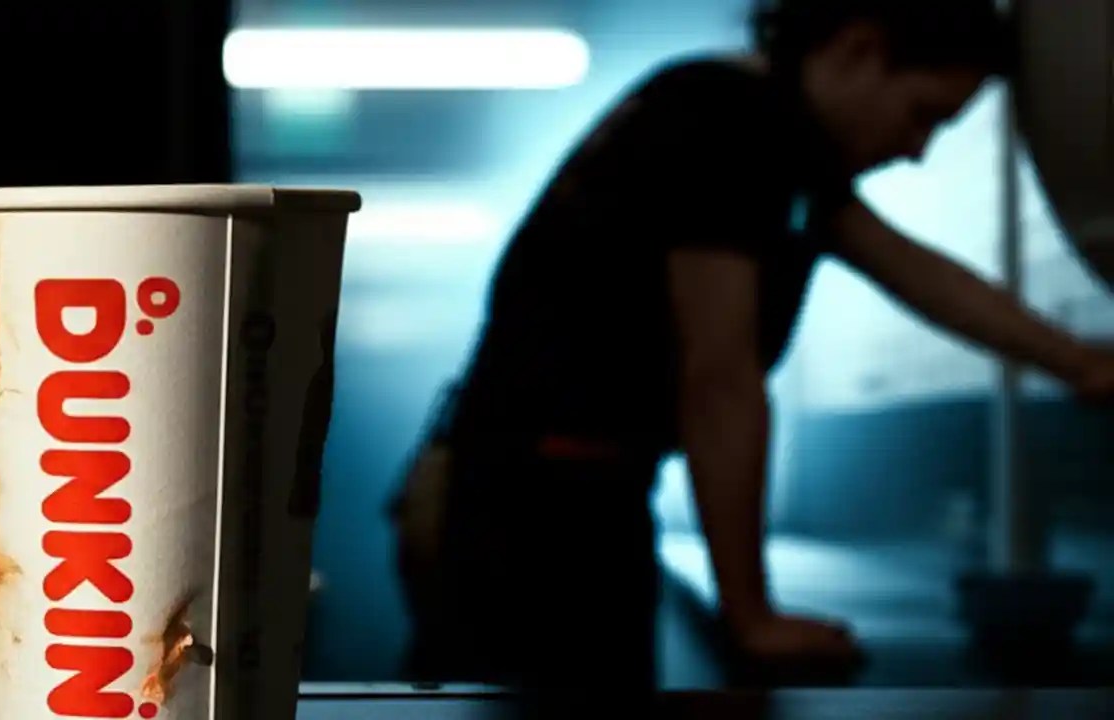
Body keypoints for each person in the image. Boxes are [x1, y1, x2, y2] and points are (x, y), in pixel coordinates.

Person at [389, 0, 1114, 698]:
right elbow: (720, 380)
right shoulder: (730, 125)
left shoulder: (760, 134)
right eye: (923, 114)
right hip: (533, 514)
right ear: (860, 50)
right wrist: (751, 615)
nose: (917, 151)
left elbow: (916, 271)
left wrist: (1080, 363)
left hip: (534, 492)